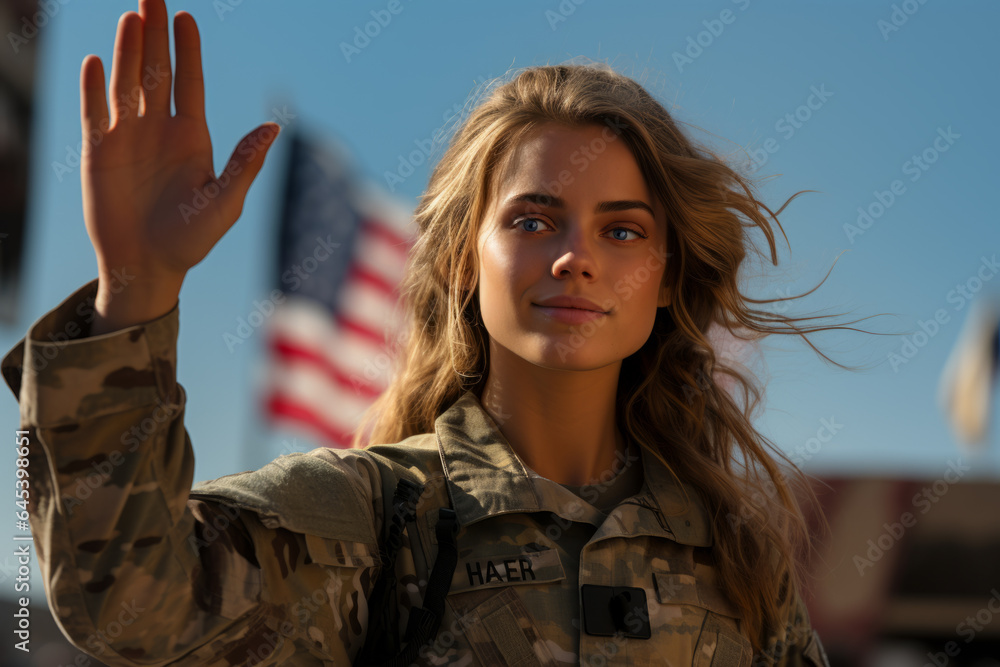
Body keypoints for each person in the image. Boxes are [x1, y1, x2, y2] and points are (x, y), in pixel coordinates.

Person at [0, 0, 868, 664]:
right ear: (461, 259)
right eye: (533, 220)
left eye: (623, 229)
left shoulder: (736, 552)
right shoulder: (371, 517)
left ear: (669, 279)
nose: (575, 258)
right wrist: (138, 286)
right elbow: (128, 605)